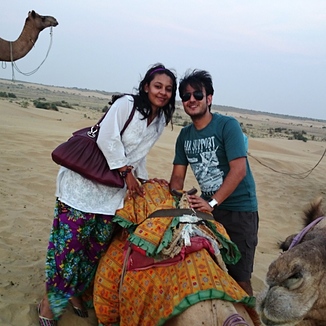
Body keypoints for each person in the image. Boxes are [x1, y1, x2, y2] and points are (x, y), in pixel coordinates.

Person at [38, 63, 177, 325]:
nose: (163, 92)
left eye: (169, 89)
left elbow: (139, 155)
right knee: (69, 249)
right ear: (146, 86)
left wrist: (142, 181)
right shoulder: (127, 104)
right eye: (158, 86)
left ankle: (76, 292)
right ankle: (48, 305)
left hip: (111, 196)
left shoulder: (159, 120)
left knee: (94, 250)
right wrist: (126, 172)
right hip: (81, 188)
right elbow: (106, 138)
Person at [169, 69, 258, 296]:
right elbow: (177, 177)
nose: (191, 100)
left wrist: (213, 203)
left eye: (197, 94)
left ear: (209, 98)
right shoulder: (185, 136)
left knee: (240, 278)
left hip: (238, 211)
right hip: (208, 212)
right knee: (210, 269)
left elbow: (238, 171)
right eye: (186, 96)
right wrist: (175, 198)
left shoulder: (227, 126)